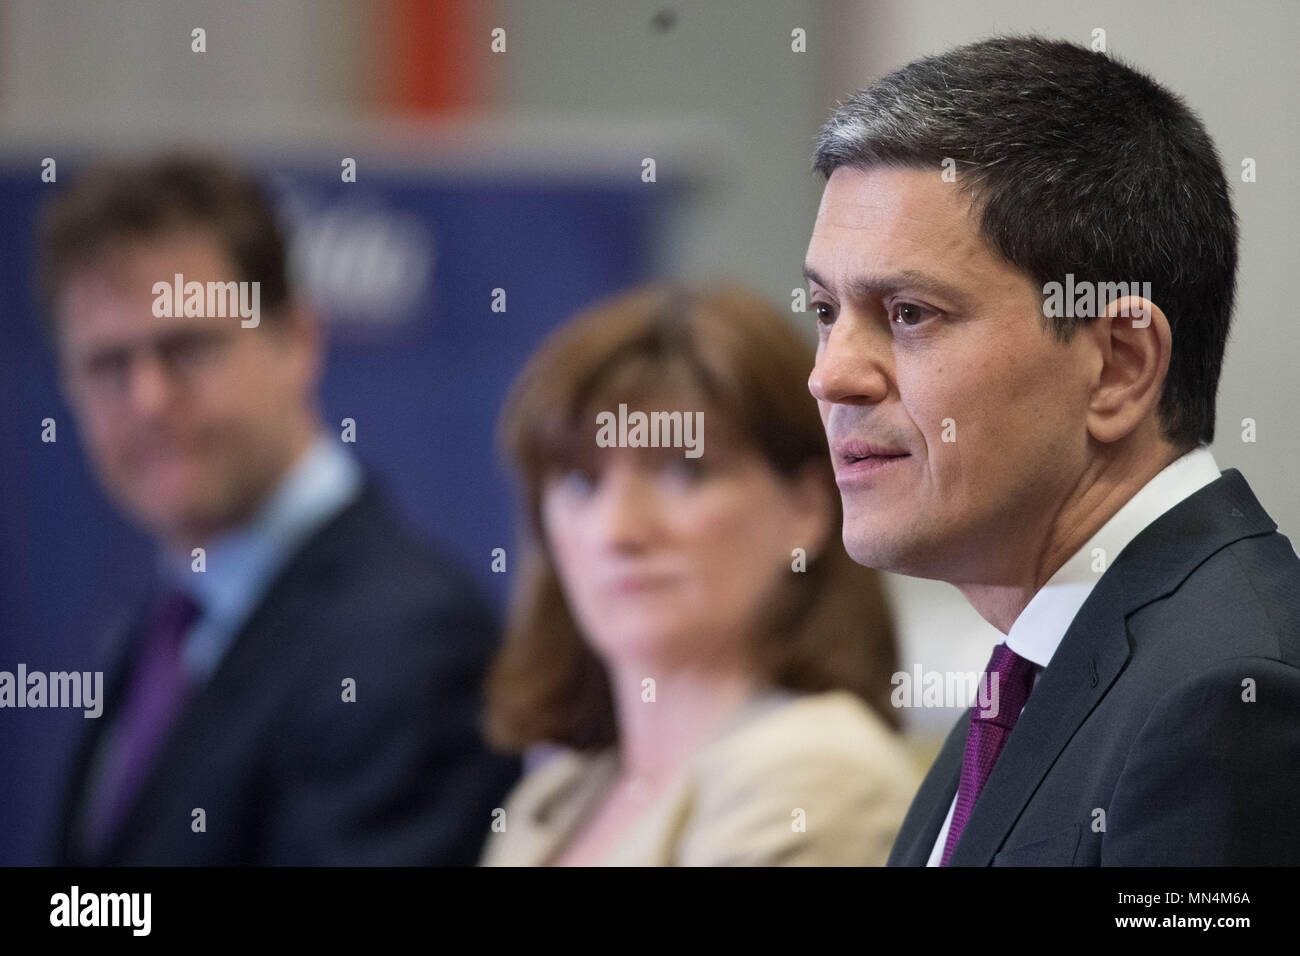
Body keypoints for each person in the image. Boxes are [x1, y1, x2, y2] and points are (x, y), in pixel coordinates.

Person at [804, 35, 1300, 866]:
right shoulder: (1036, 673)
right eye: (825, 312)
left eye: (909, 314)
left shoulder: (1226, 699)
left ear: (1117, 367)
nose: (832, 376)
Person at [37, 153, 519, 865]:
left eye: (187, 348)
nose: (148, 400)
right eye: (108, 365)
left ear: (296, 340)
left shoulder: (411, 641)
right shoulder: (171, 625)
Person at [479, 283, 919, 866]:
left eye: (684, 472)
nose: (618, 530)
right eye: (583, 482)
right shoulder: (556, 793)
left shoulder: (820, 775)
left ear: (807, 509)